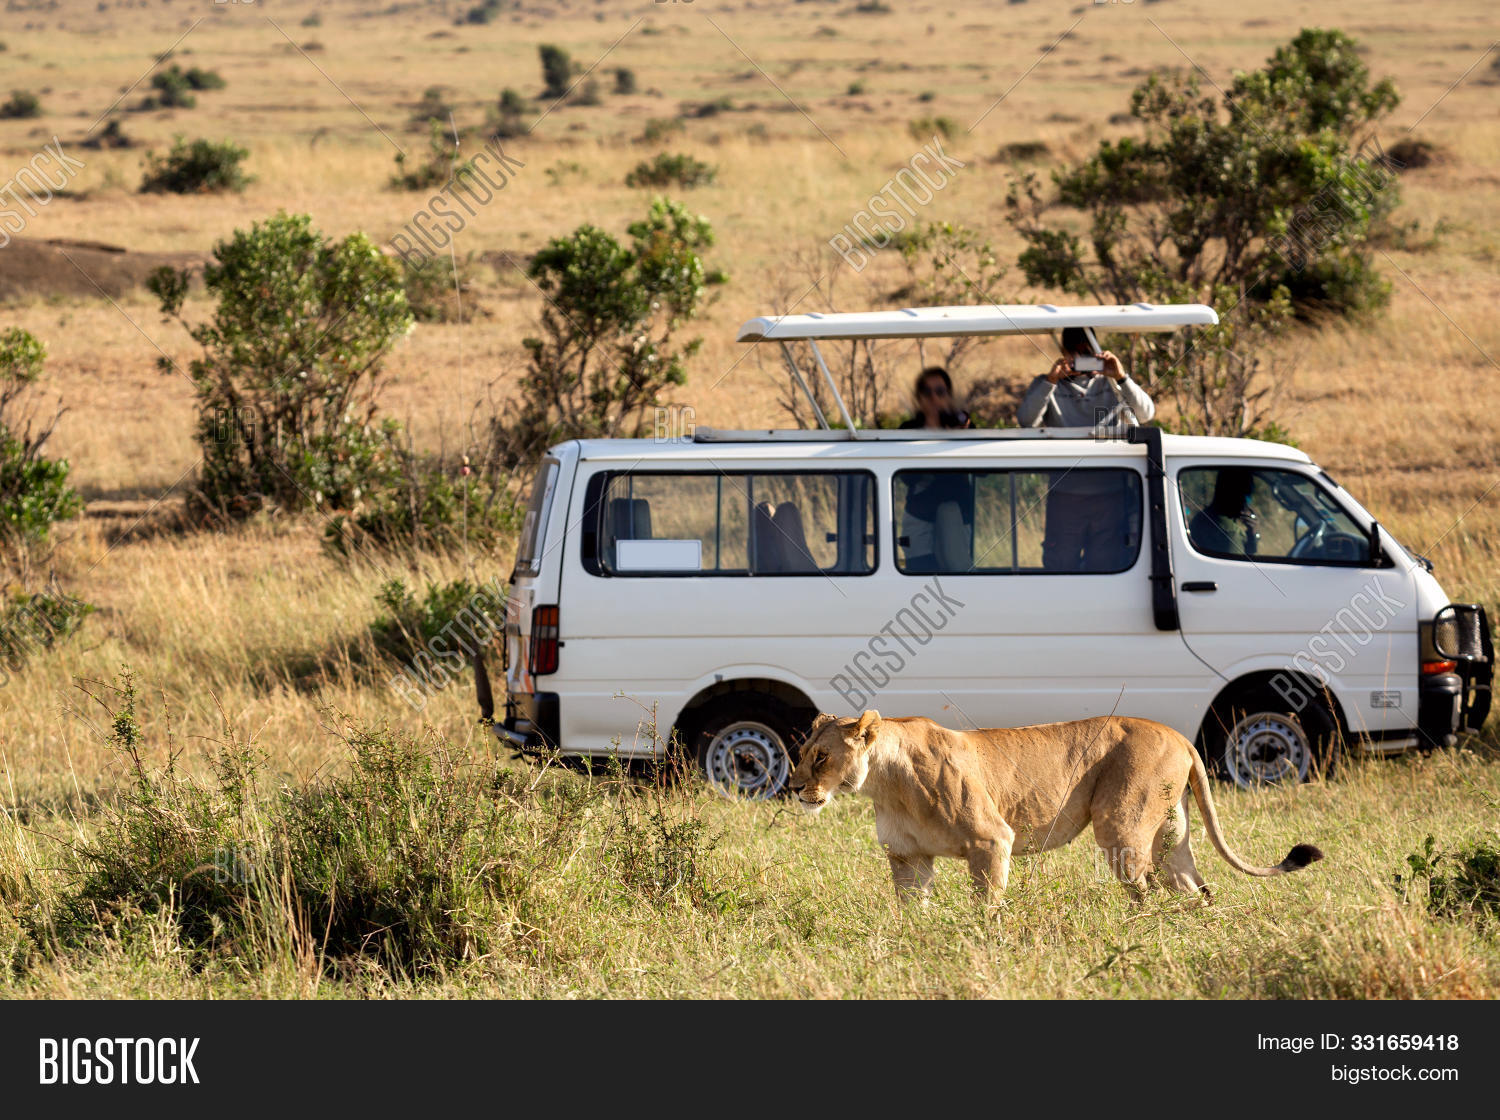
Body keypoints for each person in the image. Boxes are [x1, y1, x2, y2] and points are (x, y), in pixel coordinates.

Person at [1017, 327, 1154, 430]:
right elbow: (1026, 421)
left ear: (1096, 352)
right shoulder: (1046, 383)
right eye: (1073, 351)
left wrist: (1121, 377)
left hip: (1109, 457)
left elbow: (1145, 415)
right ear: (1063, 351)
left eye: (1086, 352)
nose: (1079, 358)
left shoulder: (1112, 382)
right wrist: (1050, 381)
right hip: (1063, 456)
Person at [1188, 468, 1259, 557]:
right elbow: (1245, 567)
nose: (1247, 503)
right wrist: (1253, 536)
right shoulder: (1231, 534)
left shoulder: (1201, 518)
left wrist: (1251, 536)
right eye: (1246, 495)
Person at [900, 366, 971, 430]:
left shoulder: (964, 427)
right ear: (919, 398)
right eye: (927, 392)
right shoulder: (906, 430)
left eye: (940, 391)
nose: (934, 398)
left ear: (949, 396)